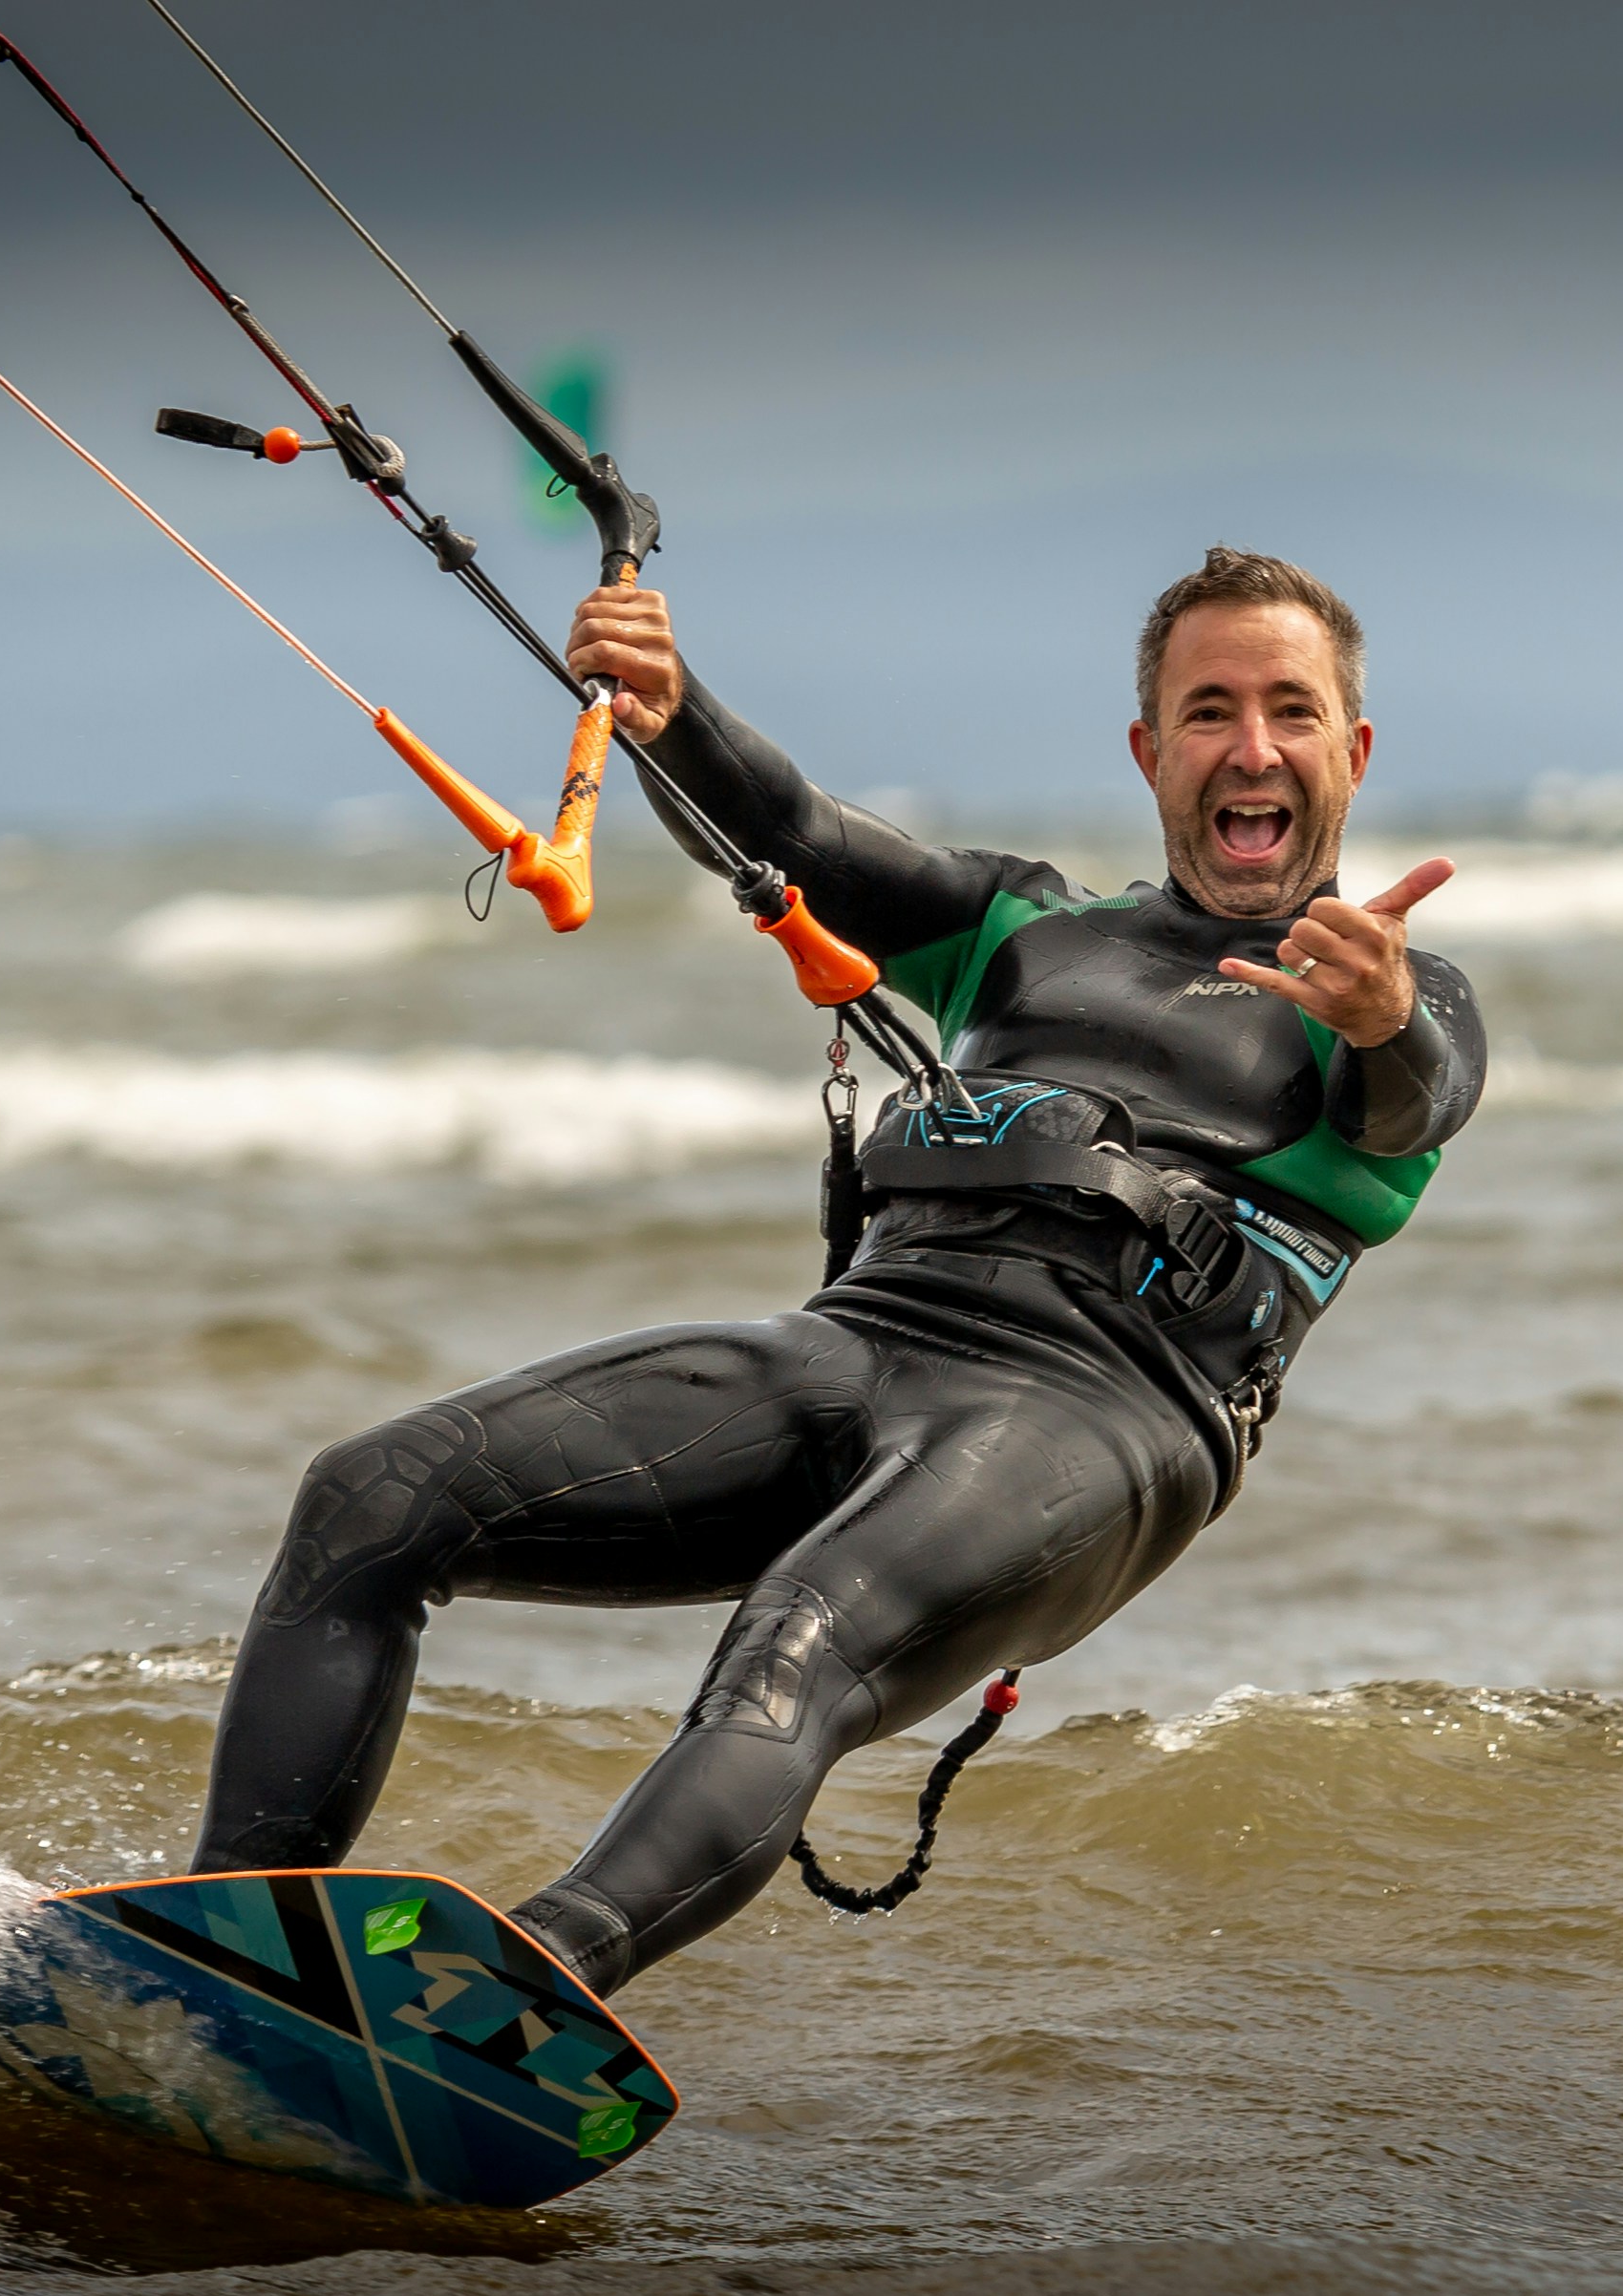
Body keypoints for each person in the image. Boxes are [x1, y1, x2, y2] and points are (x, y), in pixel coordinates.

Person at [184, 547, 1483, 1995]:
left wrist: (1377, 1015)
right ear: (1150, 749)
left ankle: (518, 1992)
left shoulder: (1400, 997)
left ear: (1351, 752)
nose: (1253, 748)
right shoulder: (1028, 933)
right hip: (863, 1342)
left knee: (792, 1644)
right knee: (370, 1498)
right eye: (1210, 711)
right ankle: (221, 1949)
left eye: (1292, 712)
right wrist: (669, 707)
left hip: (1097, 1417)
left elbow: (1413, 1099)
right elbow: (793, 832)